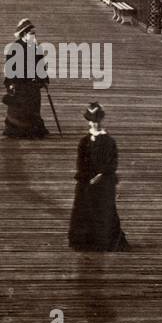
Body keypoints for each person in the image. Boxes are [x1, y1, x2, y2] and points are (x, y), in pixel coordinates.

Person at [68, 102, 130, 252]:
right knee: (84, 209)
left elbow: (112, 163)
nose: (94, 124)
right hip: (86, 181)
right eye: (91, 121)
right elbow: (81, 163)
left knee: (105, 210)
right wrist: (87, 178)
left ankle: (105, 241)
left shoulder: (109, 141)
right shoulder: (84, 142)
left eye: (96, 121)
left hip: (104, 182)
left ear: (100, 121)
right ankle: (86, 241)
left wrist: (100, 175)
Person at [2, 18, 50, 138]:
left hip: (32, 84)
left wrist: (44, 79)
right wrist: (10, 83)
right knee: (20, 109)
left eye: (34, 33)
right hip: (20, 84)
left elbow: (41, 64)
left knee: (33, 107)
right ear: (24, 34)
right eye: (31, 33)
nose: (34, 36)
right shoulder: (14, 48)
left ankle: (33, 129)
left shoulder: (35, 47)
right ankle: (19, 130)